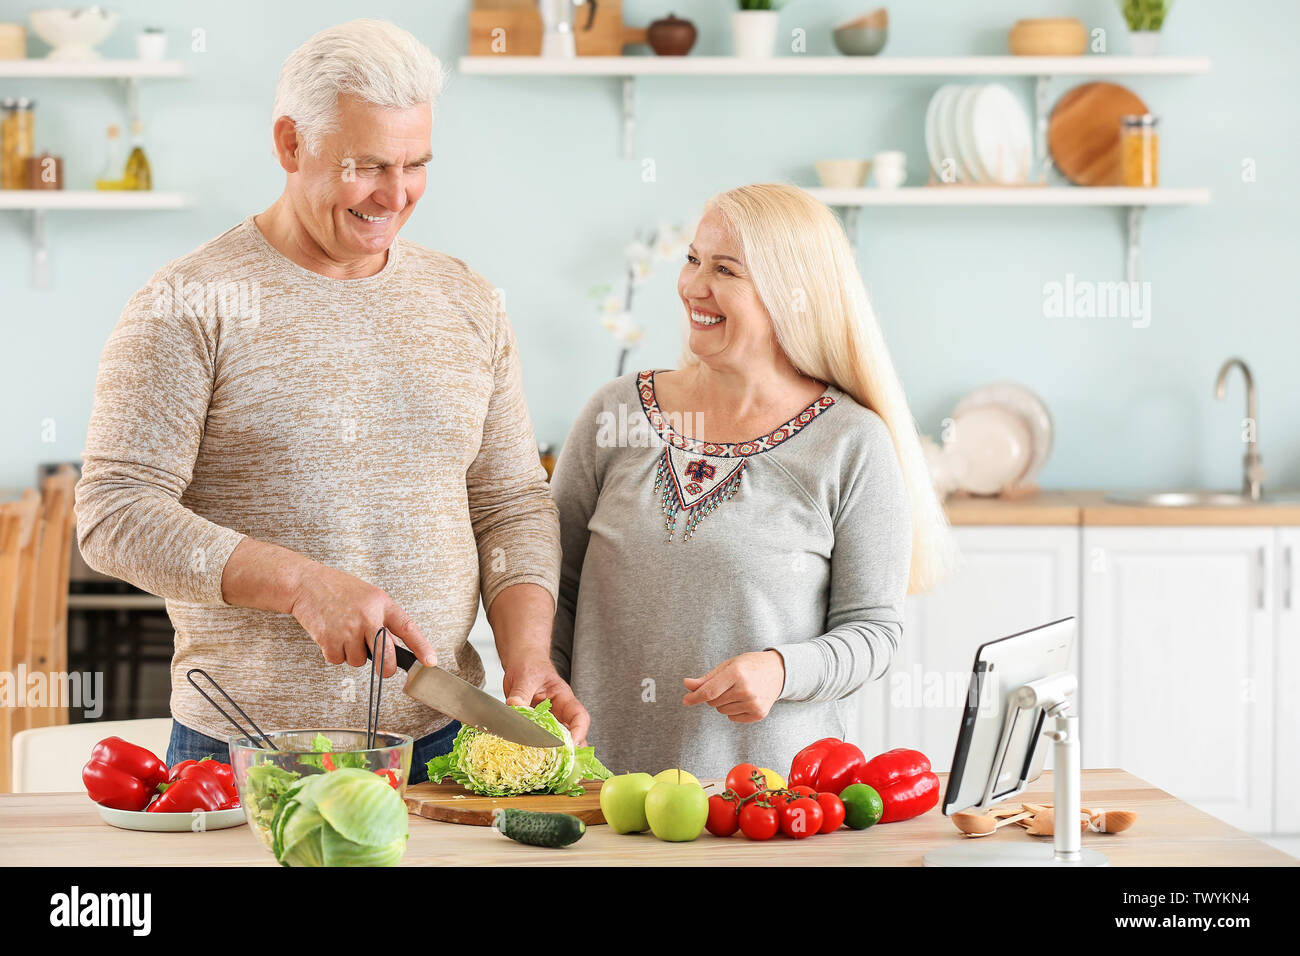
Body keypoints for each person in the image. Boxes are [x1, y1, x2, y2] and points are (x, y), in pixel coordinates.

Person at [74, 20, 588, 780]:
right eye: (368, 165)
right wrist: (301, 584)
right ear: (290, 143)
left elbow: (508, 500)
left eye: (416, 163)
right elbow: (114, 514)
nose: (396, 193)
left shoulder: (468, 299)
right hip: (250, 751)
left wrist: (527, 656)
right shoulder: (190, 302)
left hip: (447, 746)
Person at [549, 183, 954, 778]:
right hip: (600, 794)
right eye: (692, 259)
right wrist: (543, 705)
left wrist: (782, 669)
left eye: (725, 270)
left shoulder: (851, 442)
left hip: (769, 805)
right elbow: (554, 585)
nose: (693, 286)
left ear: (791, 295)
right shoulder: (618, 414)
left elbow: (873, 631)